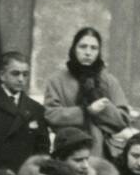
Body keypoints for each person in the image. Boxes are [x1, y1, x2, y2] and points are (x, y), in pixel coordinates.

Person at [43, 27, 132, 158]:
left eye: (93, 48)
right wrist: (86, 112)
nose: (88, 52)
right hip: (67, 151)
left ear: (99, 52)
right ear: (74, 49)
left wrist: (103, 109)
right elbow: (51, 115)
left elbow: (123, 119)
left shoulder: (108, 81)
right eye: (83, 47)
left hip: (100, 153)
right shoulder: (56, 80)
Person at [0, 52, 49, 171]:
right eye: (15, 74)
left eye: (25, 74)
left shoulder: (36, 108)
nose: (21, 79)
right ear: (2, 75)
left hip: (22, 174)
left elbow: (42, 149)